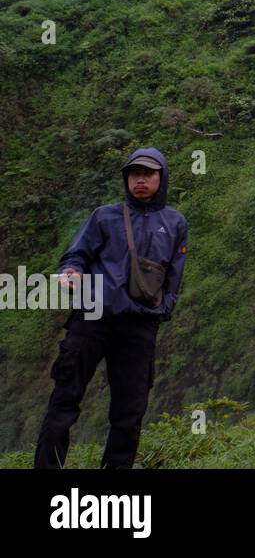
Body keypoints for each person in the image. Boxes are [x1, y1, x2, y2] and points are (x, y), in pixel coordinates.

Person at [34, 148, 189, 469]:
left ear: (162, 177)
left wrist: (162, 311)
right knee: (64, 400)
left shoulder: (175, 223)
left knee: (129, 412)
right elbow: (75, 255)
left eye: (148, 173)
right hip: (92, 321)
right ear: (126, 179)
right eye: (134, 174)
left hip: (138, 328)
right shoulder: (104, 216)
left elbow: (174, 275)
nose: (141, 180)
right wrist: (71, 273)